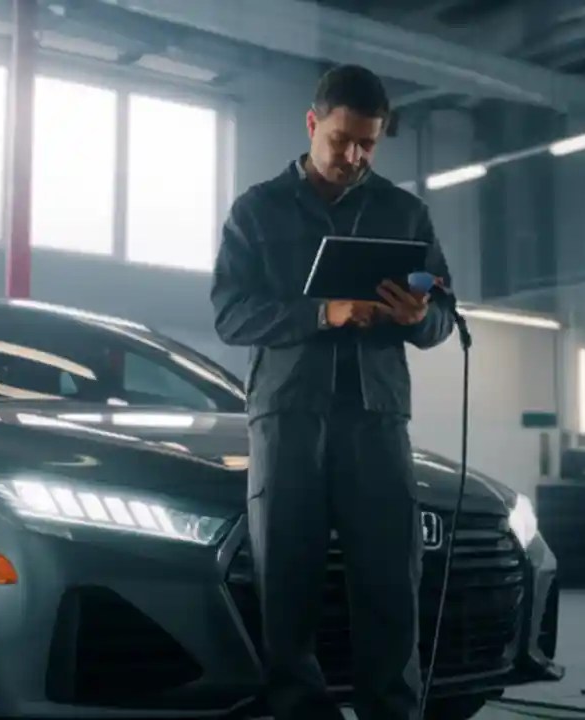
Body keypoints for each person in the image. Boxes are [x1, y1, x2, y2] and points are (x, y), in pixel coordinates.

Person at [210, 64, 455, 720]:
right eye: (341, 141)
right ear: (312, 124)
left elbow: (445, 318)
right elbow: (231, 315)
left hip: (376, 420)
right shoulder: (256, 211)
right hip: (287, 419)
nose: (354, 157)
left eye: (368, 145)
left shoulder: (405, 213)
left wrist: (416, 317)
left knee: (389, 586)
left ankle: (392, 713)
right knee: (287, 585)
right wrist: (324, 313)